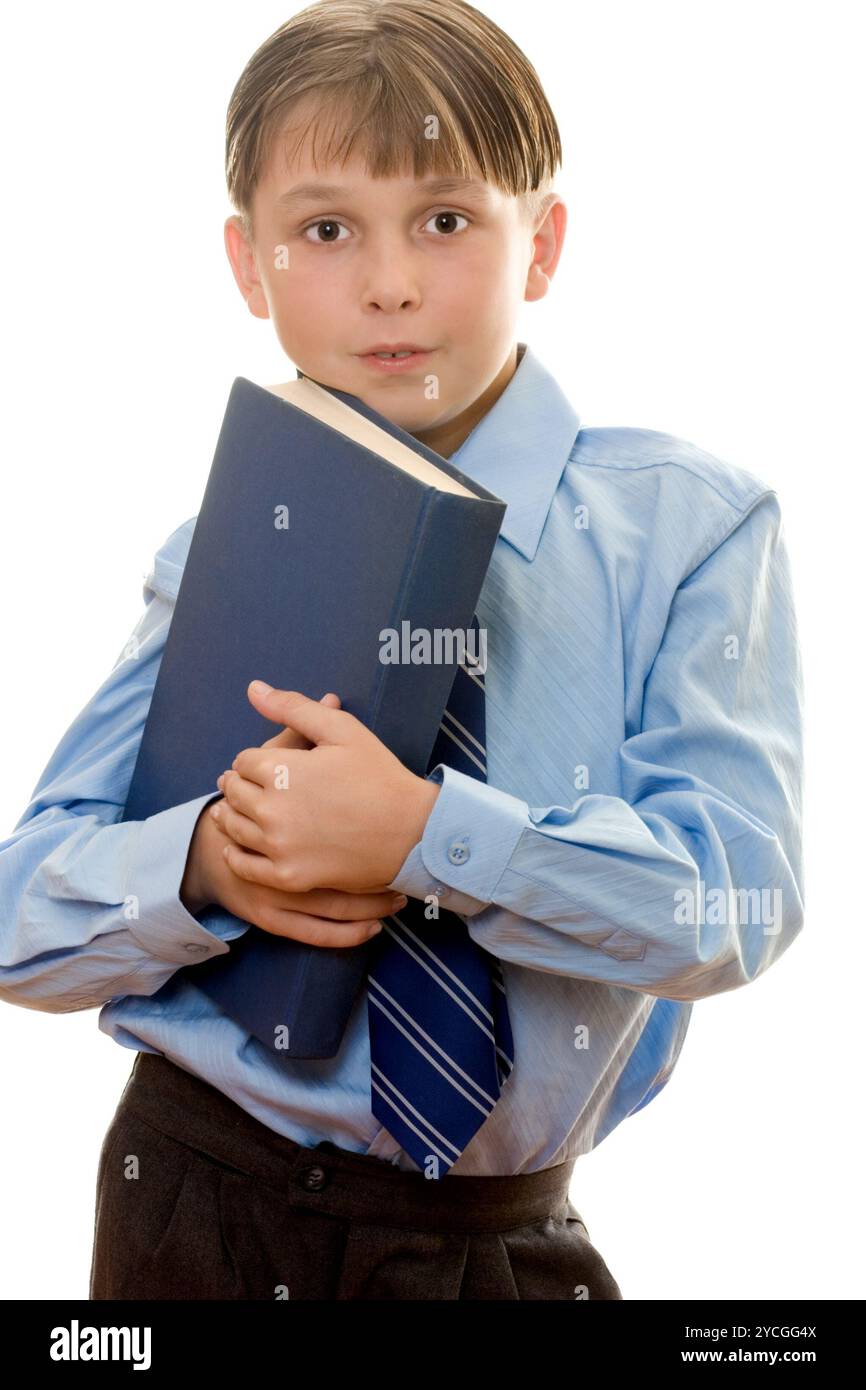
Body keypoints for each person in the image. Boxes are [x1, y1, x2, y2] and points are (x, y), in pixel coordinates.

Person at [0, 0, 804, 1301]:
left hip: (499, 1230)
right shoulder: (221, 538)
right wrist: (204, 862)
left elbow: (735, 906)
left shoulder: (687, 528)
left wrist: (428, 835)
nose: (388, 282)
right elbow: (19, 910)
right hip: (193, 1202)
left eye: (444, 219)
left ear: (538, 240)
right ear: (247, 266)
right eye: (325, 229)